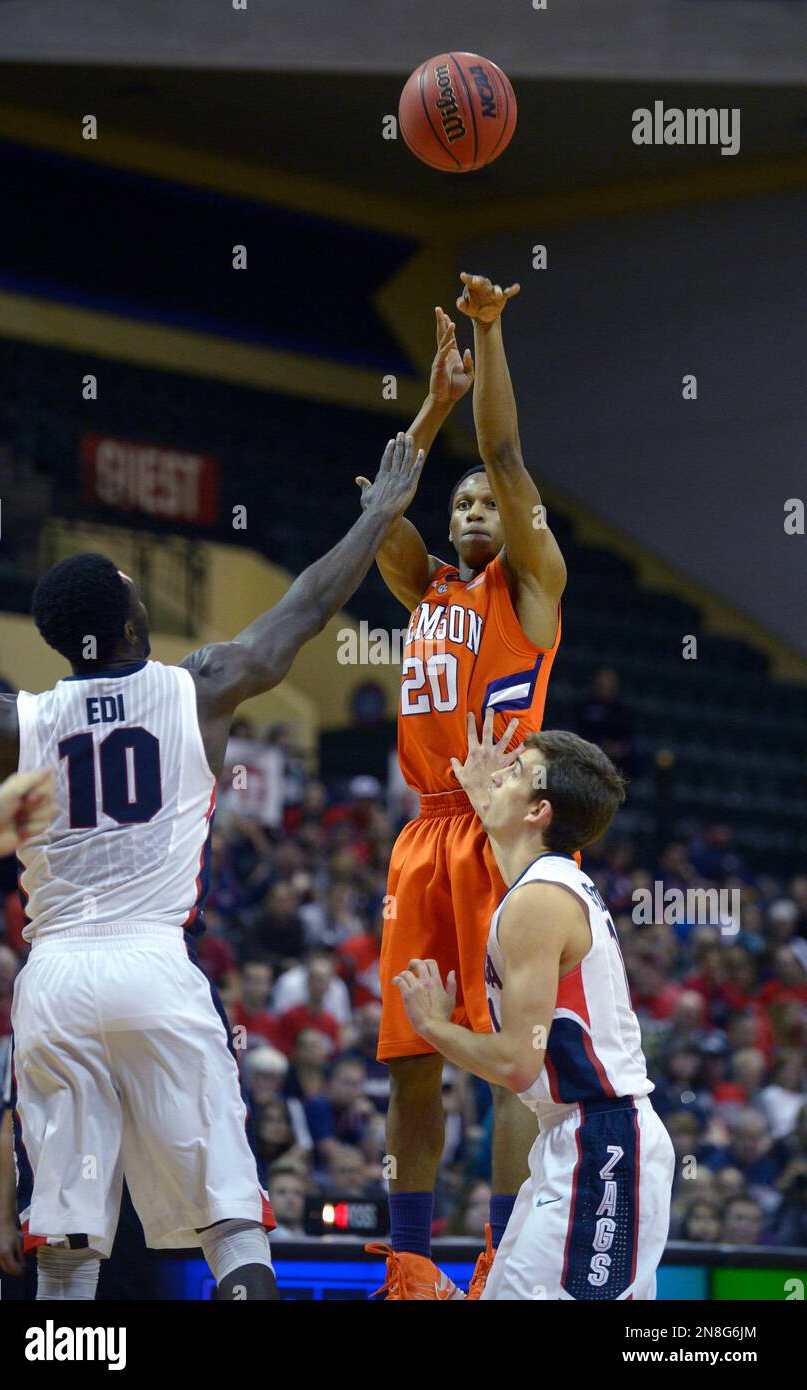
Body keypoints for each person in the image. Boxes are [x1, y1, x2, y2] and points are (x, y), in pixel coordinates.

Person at [0, 429, 427, 1301]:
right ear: (132, 620)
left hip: (55, 977)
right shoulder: (203, 685)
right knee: (230, 1219)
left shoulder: (11, 720)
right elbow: (305, 606)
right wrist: (377, 515)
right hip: (155, 964)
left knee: (68, 1238)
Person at [364, 276, 568, 1297]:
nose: (478, 503)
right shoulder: (422, 583)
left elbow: (508, 455)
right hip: (422, 836)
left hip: (495, 828)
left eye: (488, 501)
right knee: (411, 1051)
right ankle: (411, 1260)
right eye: (466, 502)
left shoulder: (527, 586)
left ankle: (502, 1251)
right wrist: (431, 401)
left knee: (501, 1055)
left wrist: (486, 339)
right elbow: (379, 504)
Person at [393, 721, 675, 1300]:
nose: (499, 773)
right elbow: (513, 857)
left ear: (538, 811)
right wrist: (482, 801)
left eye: (516, 772)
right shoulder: (542, 883)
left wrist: (434, 1027)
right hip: (574, 1140)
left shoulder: (539, 901)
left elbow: (519, 1064)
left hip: (604, 1144)